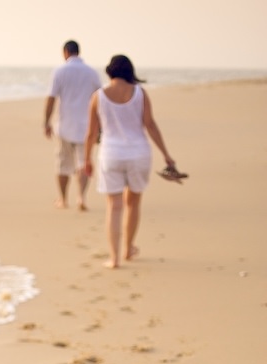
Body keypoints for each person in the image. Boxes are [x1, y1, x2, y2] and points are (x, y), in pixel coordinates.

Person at [84, 55, 179, 268]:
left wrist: (86, 159)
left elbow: (91, 133)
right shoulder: (140, 93)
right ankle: (128, 248)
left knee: (114, 206)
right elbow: (150, 125)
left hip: (110, 154)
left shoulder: (98, 96)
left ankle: (114, 258)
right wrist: (166, 154)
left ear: (109, 71)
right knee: (133, 203)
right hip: (139, 154)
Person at [44, 41, 101, 210]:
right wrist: (101, 126)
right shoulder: (92, 72)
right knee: (84, 163)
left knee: (62, 163)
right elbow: (99, 99)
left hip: (65, 125)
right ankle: (81, 197)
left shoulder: (60, 71)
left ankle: (63, 199)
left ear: (65, 52)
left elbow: (51, 97)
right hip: (87, 126)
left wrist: (46, 122)